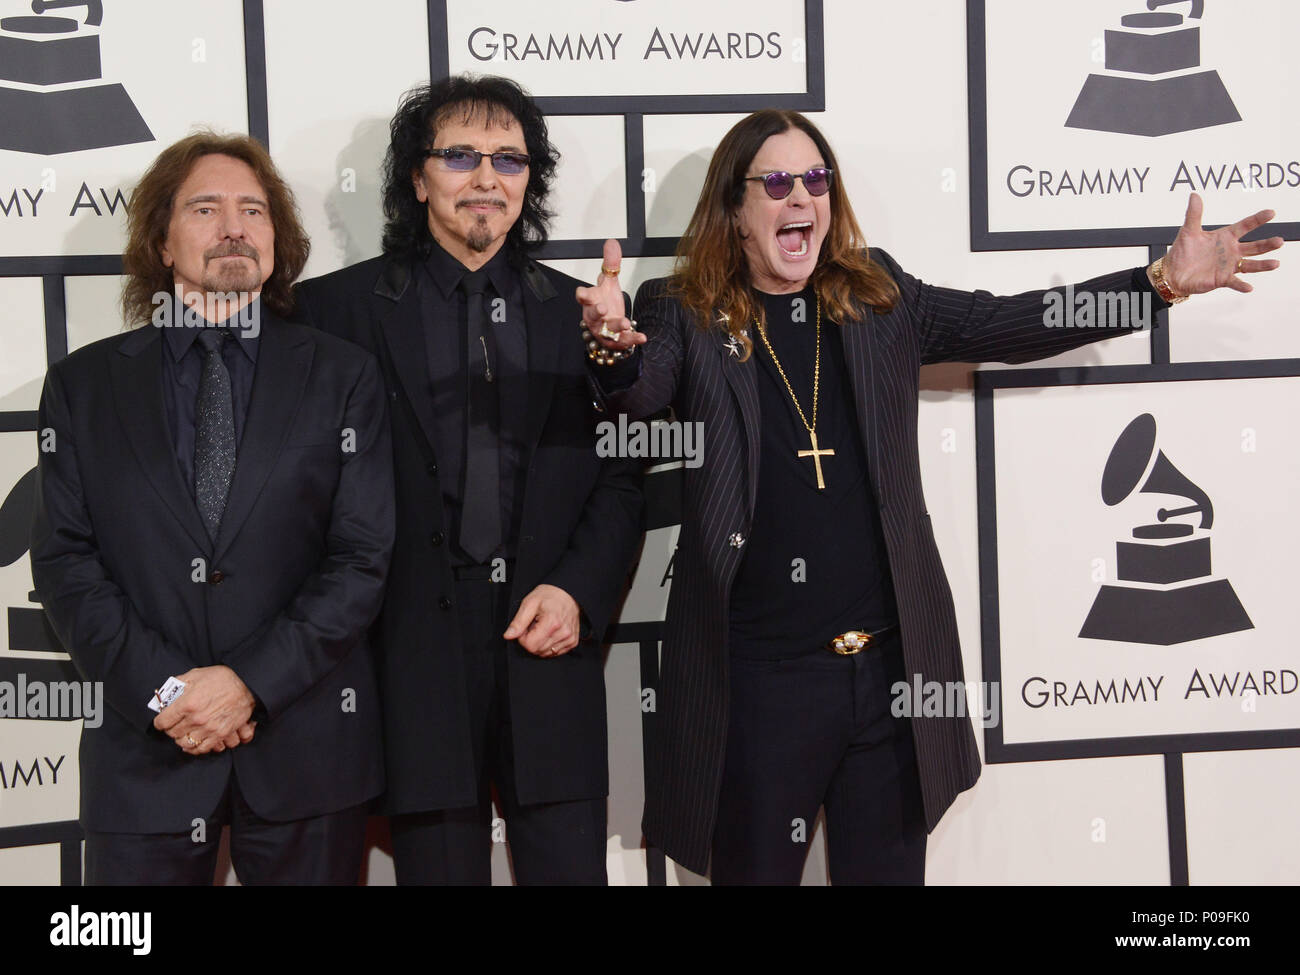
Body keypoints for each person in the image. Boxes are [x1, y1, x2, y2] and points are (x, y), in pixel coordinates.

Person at [580, 108, 1283, 884]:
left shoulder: (877, 295)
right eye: (775, 182)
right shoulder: (682, 310)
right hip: (758, 687)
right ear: (736, 212)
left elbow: (1017, 322)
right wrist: (610, 352)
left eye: (815, 179)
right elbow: (635, 399)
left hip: (890, 680)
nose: (800, 197)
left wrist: (1158, 283)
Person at [295, 75, 644, 885]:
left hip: (548, 639)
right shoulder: (331, 314)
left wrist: (577, 592)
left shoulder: (584, 315)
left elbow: (622, 481)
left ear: (531, 181)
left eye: (510, 160)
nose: (487, 178)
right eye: (461, 155)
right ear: (418, 178)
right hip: (411, 651)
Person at [29, 132, 395, 884]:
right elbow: (66, 563)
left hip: (305, 751)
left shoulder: (343, 377)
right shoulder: (83, 388)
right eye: (206, 207)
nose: (234, 225)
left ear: (276, 237)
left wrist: (247, 685)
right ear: (161, 240)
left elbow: (360, 558)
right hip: (145, 753)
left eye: (253, 209)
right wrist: (169, 690)